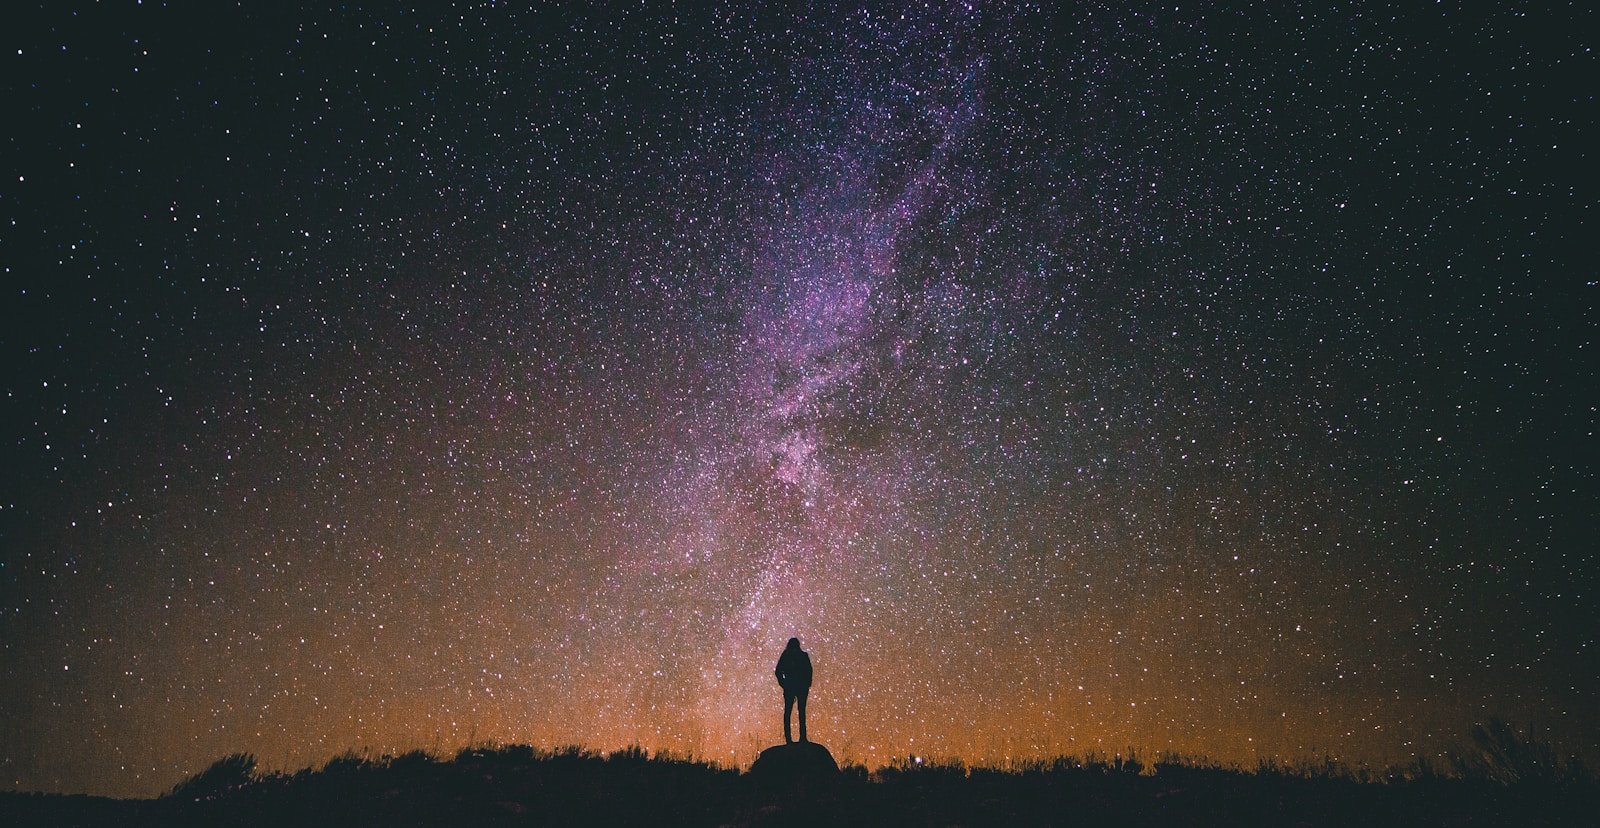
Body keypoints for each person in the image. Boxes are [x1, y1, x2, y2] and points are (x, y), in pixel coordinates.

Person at [774, 637, 813, 743]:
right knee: (800, 712)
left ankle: (789, 739)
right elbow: (809, 671)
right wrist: (806, 684)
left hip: (792, 686)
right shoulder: (802, 656)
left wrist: (784, 684)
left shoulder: (786, 655)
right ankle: (802, 738)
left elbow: (778, 671)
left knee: (789, 713)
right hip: (799, 687)